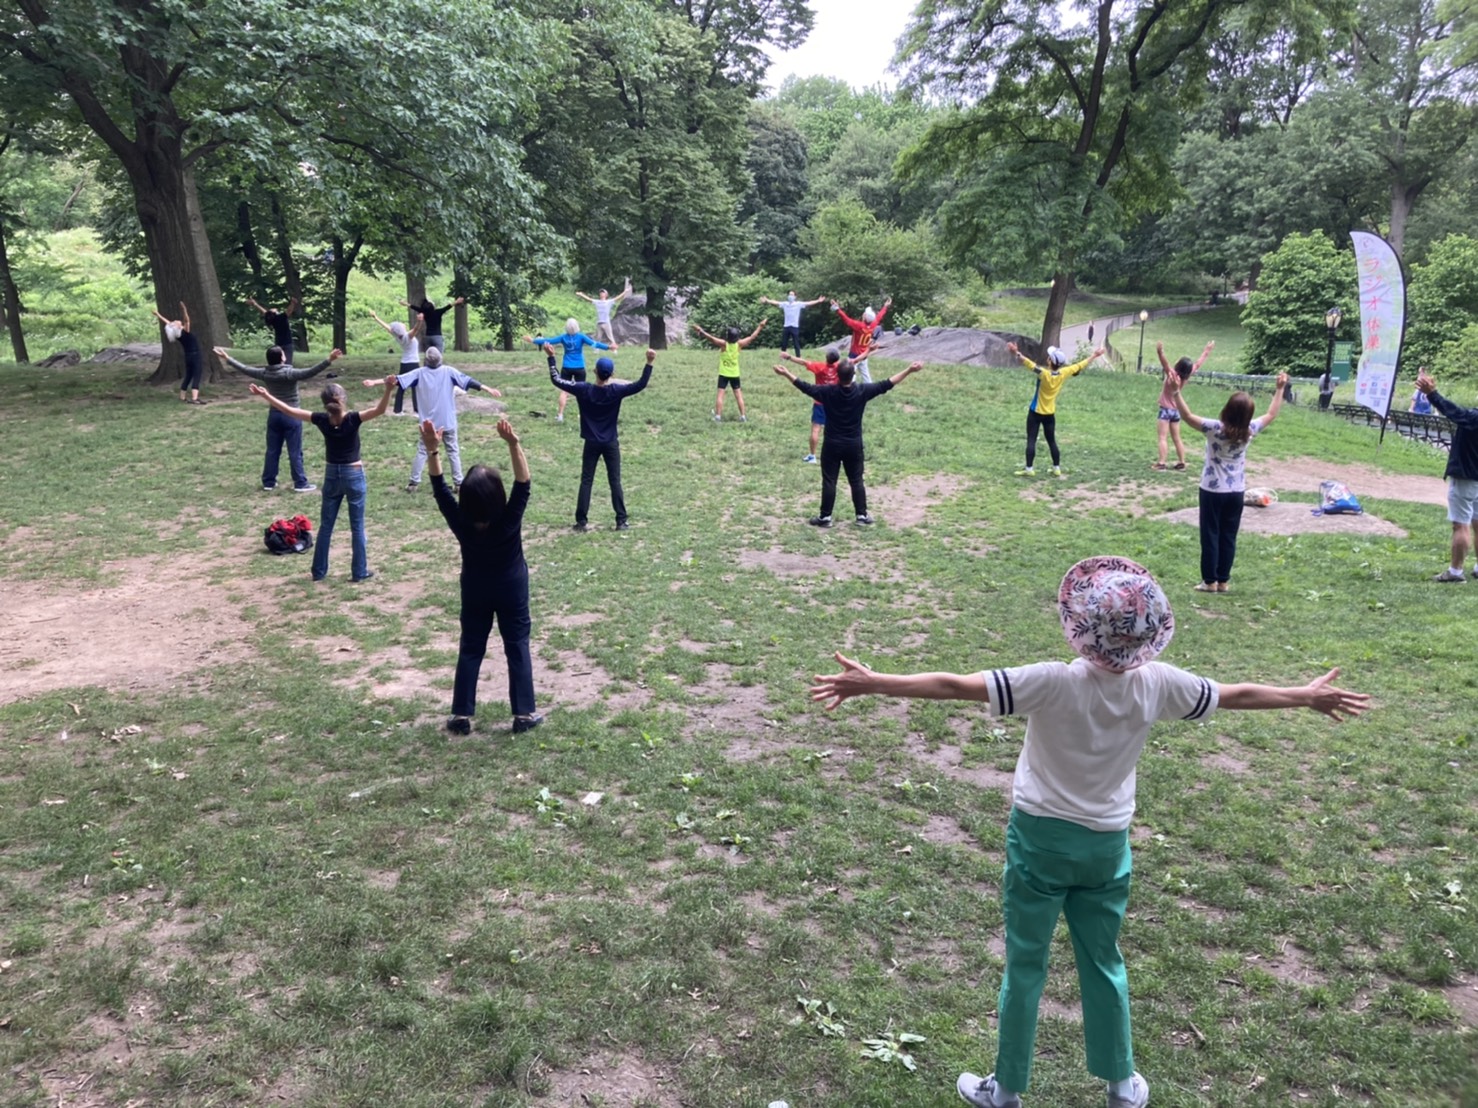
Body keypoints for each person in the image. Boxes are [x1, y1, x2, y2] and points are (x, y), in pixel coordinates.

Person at [808, 555, 1369, 1108]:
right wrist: (1304, 695)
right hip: (1107, 847)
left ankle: (1004, 1091)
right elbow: (1236, 693)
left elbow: (955, 685)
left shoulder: (1049, 683)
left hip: (1039, 841)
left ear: (1078, 626)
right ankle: (1122, 1089)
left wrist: (874, 682)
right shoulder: (1159, 686)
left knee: (1026, 961)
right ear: (1150, 633)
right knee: (1103, 960)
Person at [420, 416, 542, 736]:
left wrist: (433, 451)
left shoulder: (460, 521)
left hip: (475, 588)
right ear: (498, 497)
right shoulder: (509, 518)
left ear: (467, 502)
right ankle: (524, 714)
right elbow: (524, 483)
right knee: (517, 644)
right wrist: (514, 445)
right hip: (512, 586)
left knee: (471, 646)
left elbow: (439, 488)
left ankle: (461, 714)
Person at [248, 377, 396, 582]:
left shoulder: (321, 419)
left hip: (331, 475)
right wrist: (388, 390)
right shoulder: (353, 418)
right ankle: (359, 571)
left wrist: (266, 395)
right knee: (357, 526)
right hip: (353, 474)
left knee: (326, 526)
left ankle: (319, 572)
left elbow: (290, 411)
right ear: (343, 399)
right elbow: (379, 410)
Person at [1164, 369, 1288, 592]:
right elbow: (1271, 414)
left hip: (1212, 490)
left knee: (1210, 534)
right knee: (1228, 535)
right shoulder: (1249, 431)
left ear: (1227, 411)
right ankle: (1223, 581)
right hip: (1236, 492)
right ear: (1248, 416)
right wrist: (1279, 389)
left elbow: (1188, 416)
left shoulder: (1214, 429)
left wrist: (1176, 393)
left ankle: (1209, 581)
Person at [773, 357, 923, 526]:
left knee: (830, 480)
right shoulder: (862, 391)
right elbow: (887, 384)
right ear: (853, 375)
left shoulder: (828, 391)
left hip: (832, 444)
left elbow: (805, 387)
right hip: (853, 444)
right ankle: (861, 516)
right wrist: (909, 370)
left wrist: (786, 373)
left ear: (837, 375)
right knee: (856, 480)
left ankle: (825, 517)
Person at [545, 344, 655, 531]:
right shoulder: (616, 391)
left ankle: (581, 522)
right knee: (615, 481)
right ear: (612, 374)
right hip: (610, 442)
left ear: (594, 371)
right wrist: (649, 362)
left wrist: (551, 358)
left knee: (586, 480)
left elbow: (557, 380)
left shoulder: (583, 389)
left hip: (591, 442)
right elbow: (640, 384)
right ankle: (621, 521)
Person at [363, 346, 500, 494]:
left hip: (428, 425)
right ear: (440, 359)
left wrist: (374, 382)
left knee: (423, 451)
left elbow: (395, 380)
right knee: (453, 451)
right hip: (447, 422)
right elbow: (470, 381)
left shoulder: (419, 373)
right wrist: (488, 389)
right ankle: (459, 484)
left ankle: (413, 483)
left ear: (425, 360)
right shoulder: (449, 371)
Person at [216, 344, 343, 492]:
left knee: (272, 450)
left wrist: (228, 358)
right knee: (295, 451)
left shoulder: (264, 373)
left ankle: (268, 482)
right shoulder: (289, 373)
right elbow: (310, 372)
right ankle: (300, 483)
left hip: (274, 415)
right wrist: (329, 360)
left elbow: (244, 368)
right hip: (292, 415)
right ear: (282, 357)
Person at [1005, 342, 1106, 478]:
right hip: (1050, 414)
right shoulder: (1064, 373)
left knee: (1031, 440)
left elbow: (1027, 363)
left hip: (1035, 412)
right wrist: (1095, 355)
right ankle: (1056, 468)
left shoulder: (1043, 374)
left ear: (1050, 361)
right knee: (1051, 441)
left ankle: (1029, 469)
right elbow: (1080, 365)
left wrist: (1016, 352)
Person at [1414, 369, 1478, 583]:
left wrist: (1432, 393)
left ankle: (1456, 572)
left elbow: (1455, 413)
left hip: (1466, 478)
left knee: (1460, 525)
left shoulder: (1474, 418)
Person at [525, 319, 613, 424]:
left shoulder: (563, 337)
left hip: (566, 367)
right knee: (582, 393)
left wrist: (533, 340)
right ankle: (583, 415)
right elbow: (594, 344)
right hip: (580, 368)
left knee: (564, 392)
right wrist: (608, 347)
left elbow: (550, 340)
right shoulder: (581, 337)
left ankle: (560, 415)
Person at [1151, 339, 1214, 470]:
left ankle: (1161, 463)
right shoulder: (1186, 376)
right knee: (1177, 438)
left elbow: (1165, 364)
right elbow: (1198, 363)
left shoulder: (1172, 375)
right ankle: (1181, 462)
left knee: (1162, 437)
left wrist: (1160, 352)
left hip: (1165, 410)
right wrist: (1207, 350)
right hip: (1176, 410)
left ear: (1178, 366)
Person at [692, 318, 767, 422]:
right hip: (735, 374)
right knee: (738, 395)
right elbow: (752, 337)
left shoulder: (723, 344)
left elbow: (711, 338)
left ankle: (718, 417)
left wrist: (700, 330)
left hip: (723, 374)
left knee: (720, 395)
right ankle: (743, 416)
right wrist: (760, 326)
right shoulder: (739, 344)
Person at [779, 348, 841, 463]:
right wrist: (868, 350)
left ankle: (812, 456)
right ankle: (838, 456)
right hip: (835, 403)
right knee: (837, 430)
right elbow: (857, 359)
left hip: (820, 403)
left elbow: (803, 362)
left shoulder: (819, 367)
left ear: (826, 358)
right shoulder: (840, 367)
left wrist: (788, 357)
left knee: (816, 430)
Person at [370, 310, 425, 415]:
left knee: (401, 386)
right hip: (413, 363)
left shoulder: (397, 336)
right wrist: (420, 321)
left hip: (404, 363)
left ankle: (397, 410)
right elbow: (416, 329)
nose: (403, 325)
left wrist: (376, 318)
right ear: (401, 329)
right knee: (415, 386)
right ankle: (417, 411)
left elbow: (387, 327)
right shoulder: (407, 336)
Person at [832, 297, 891, 383]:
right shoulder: (873, 325)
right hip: (864, 354)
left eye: (865, 313)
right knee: (866, 376)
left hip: (854, 355)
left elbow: (846, 320)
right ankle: (870, 389)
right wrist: (885, 306)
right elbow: (879, 317)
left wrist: (838, 309)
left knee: (850, 375)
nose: (863, 313)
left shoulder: (859, 326)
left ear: (865, 317)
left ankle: (850, 390)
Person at [155, 301, 204, 405]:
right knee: (197, 375)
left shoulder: (178, 334)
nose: (176, 321)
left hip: (187, 356)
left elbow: (167, 323)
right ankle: (195, 398)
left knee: (188, 376)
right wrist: (184, 309)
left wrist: (158, 315)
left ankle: (182, 396)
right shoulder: (185, 332)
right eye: (176, 322)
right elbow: (187, 319)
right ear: (178, 326)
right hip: (195, 355)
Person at [761, 290, 826, 357]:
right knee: (784, 342)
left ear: (795, 297)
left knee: (796, 343)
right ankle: (783, 356)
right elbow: (776, 302)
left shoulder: (798, 304)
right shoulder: (785, 304)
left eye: (792, 295)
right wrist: (767, 300)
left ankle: (798, 356)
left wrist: (818, 301)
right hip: (786, 326)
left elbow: (808, 303)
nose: (790, 296)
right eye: (789, 295)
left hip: (794, 326)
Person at [400, 294, 465, 352]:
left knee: (429, 355)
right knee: (439, 355)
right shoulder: (438, 312)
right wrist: (456, 301)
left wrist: (405, 303)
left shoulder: (424, 312)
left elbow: (414, 307)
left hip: (428, 336)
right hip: (437, 336)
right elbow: (448, 307)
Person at [246, 295, 300, 364]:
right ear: (274, 313)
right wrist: (293, 303)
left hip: (278, 343)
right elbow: (289, 311)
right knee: (288, 363)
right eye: (273, 309)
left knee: (278, 362)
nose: (274, 308)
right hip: (287, 343)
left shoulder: (273, 320)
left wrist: (255, 304)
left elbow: (264, 312)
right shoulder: (281, 318)